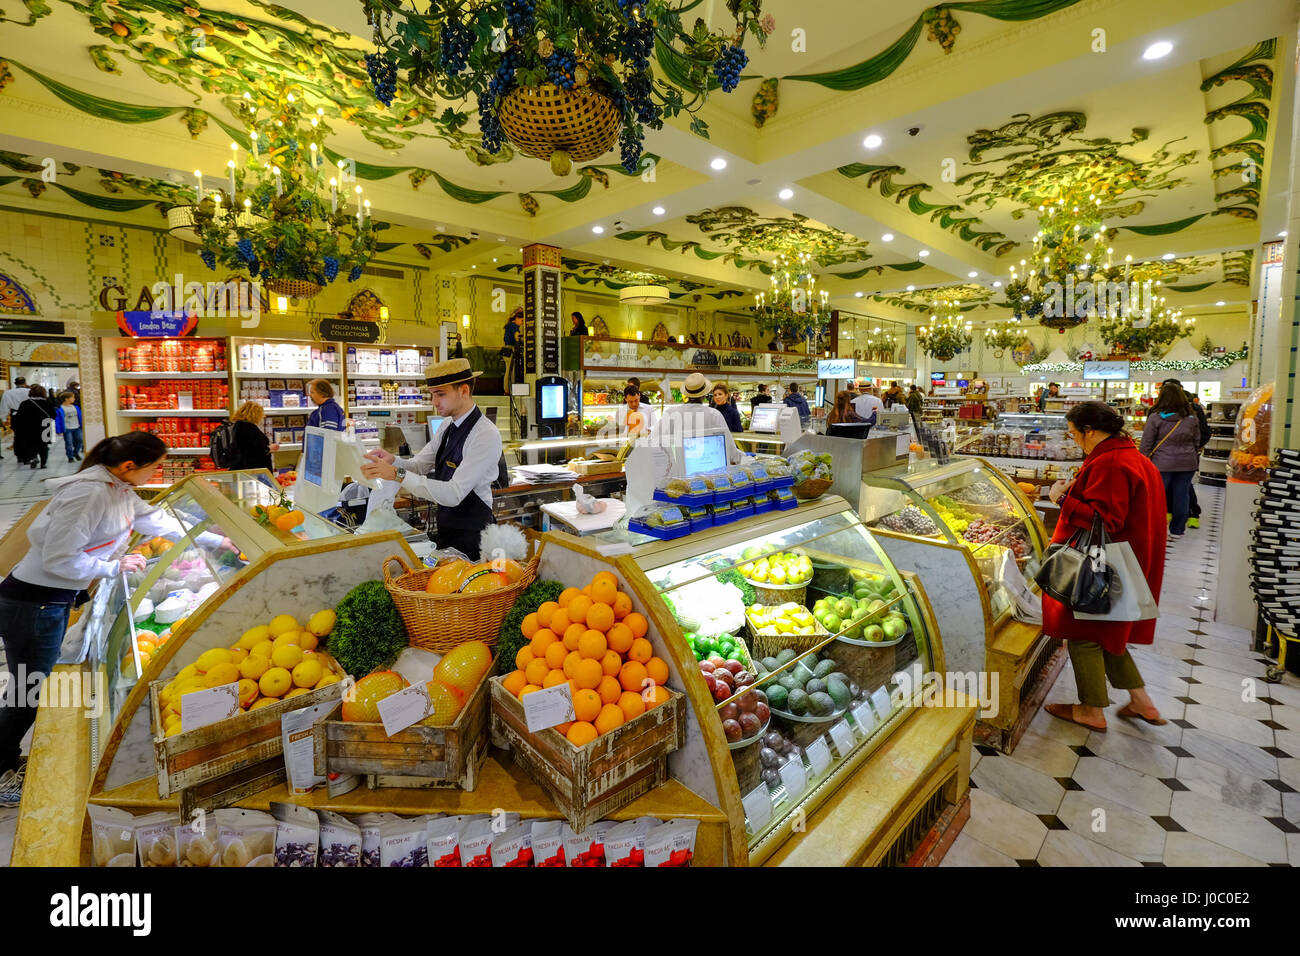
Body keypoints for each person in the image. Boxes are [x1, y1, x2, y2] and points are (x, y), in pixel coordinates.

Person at [0, 433, 233, 806]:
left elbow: (158, 521)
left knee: (29, 685)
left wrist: (218, 539)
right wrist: (113, 566)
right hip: (33, 603)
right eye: (155, 467)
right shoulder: (90, 494)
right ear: (129, 467)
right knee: (29, 690)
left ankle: (7, 757)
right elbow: (58, 558)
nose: (158, 472)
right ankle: (1, 771)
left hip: (48, 600)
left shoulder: (117, 488)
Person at [1043, 402, 1167, 733]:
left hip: (1104, 564)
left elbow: (1105, 519)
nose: (1074, 442)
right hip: (1127, 561)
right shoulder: (1131, 457)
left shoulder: (1111, 463)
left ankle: (1090, 710)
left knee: (1084, 633)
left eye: (1074, 434)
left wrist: (1062, 499)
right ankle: (1141, 701)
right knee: (1109, 634)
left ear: (1091, 431)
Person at [361, 358, 505, 560]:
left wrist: (397, 474)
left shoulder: (485, 434)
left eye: (440, 394)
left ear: (464, 390)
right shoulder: (447, 426)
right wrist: (393, 461)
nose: (434, 402)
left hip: (476, 539)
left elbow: (454, 493)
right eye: (432, 395)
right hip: (448, 532)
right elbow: (419, 465)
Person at [1140, 382, 1200, 541]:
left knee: (1157, 496)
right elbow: (1197, 440)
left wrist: (1143, 458)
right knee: (1182, 495)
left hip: (1162, 463)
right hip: (1187, 463)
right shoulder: (1191, 418)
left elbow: (1146, 442)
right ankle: (1177, 530)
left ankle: (1155, 528)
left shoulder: (1156, 417)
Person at [648, 372, 742, 468]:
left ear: (687, 394)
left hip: (678, 471)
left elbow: (652, 441)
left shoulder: (671, 413)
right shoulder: (714, 414)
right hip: (709, 468)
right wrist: (747, 458)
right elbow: (731, 452)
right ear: (705, 394)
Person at [221, 402, 281, 471]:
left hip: (239, 467)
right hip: (252, 469)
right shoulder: (249, 428)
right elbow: (257, 450)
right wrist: (269, 448)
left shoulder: (236, 426)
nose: (262, 417)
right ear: (255, 414)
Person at [1183, 388, 1210, 529]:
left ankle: (1190, 514)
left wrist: (1195, 448)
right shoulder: (1160, 411)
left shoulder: (1193, 413)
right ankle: (1185, 515)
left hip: (1180, 458)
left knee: (1183, 486)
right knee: (1182, 486)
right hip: (1185, 457)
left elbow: (1204, 433)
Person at [13, 384, 56, 470]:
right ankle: (43, 463)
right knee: (43, 446)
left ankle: (34, 457)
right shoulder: (47, 403)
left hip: (29, 428)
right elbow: (53, 415)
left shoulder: (25, 403)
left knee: (31, 444)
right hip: (45, 427)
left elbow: (20, 417)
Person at [0, 376, 31, 462]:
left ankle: (19, 456)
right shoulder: (30, 391)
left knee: (18, 436)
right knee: (28, 436)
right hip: (28, 415)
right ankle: (27, 456)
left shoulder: (8, 393)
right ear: (25, 383)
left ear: (15, 383)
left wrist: (3, 418)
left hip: (15, 415)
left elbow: (4, 406)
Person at [54, 391, 84, 462]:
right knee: (69, 443)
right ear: (66, 399)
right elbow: (57, 420)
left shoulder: (76, 407)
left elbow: (81, 417)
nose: (74, 398)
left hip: (77, 427)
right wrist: (58, 430)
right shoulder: (60, 409)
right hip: (67, 429)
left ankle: (75, 453)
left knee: (80, 440)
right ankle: (70, 457)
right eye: (72, 397)